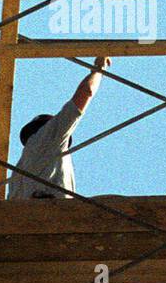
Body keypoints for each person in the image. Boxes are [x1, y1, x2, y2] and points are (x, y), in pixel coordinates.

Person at [8, 57, 110, 199]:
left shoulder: (17, 174)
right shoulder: (50, 137)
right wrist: (99, 69)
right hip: (53, 210)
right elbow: (85, 93)